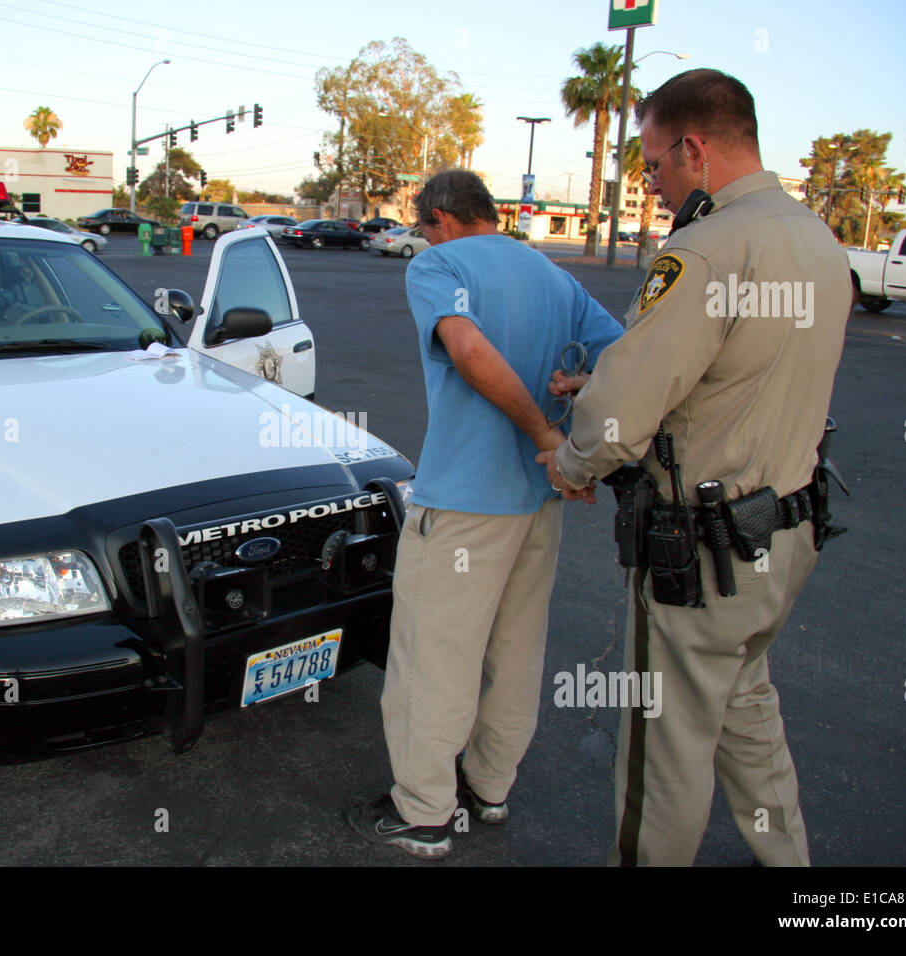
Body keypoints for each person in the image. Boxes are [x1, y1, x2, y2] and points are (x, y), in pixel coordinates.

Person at [537, 69, 851, 866]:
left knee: (663, 755)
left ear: (694, 148)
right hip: (786, 532)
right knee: (746, 712)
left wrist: (571, 462)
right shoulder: (815, 238)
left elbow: (618, 419)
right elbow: (737, 374)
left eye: (651, 164)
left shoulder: (707, 248)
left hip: (703, 557)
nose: (651, 181)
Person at [345, 169, 623, 858]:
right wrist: (577, 411)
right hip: (539, 499)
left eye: (419, 224)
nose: (418, 236)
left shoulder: (438, 264)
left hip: (466, 502)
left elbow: (466, 349)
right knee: (515, 651)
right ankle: (489, 789)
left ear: (438, 217)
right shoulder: (553, 274)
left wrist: (542, 432)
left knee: (434, 655)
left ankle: (424, 813)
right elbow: (628, 356)